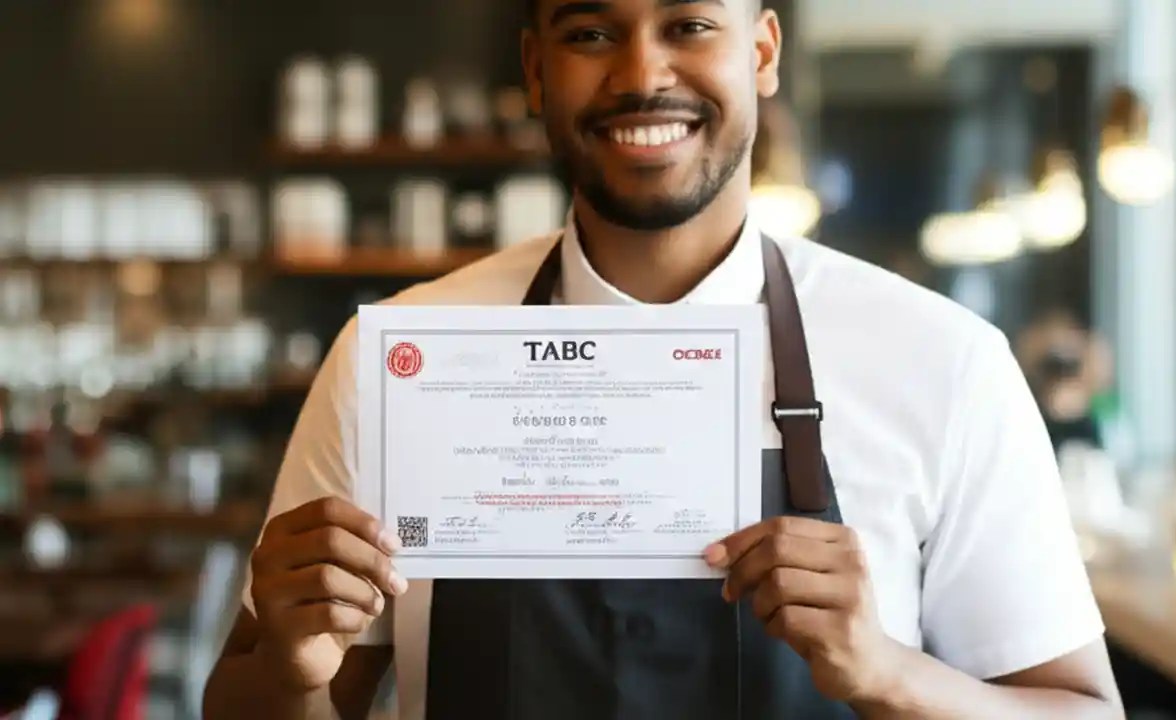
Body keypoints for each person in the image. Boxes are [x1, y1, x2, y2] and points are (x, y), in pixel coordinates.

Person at [204, 1, 1123, 718]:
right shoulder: (396, 360)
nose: (642, 73)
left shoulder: (942, 362)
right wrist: (289, 668)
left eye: (688, 25)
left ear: (761, 54)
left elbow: (1081, 711)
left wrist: (885, 673)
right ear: (535, 69)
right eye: (592, 31)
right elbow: (250, 705)